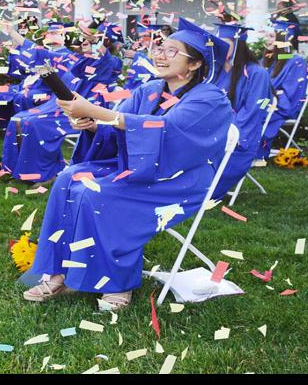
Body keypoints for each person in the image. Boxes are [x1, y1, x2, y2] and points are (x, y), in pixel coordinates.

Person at [21, 18, 234, 311]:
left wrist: (97, 110)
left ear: (195, 64)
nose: (160, 55)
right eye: (160, 48)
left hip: (177, 180)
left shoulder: (209, 98)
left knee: (97, 193)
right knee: (69, 178)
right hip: (135, 169)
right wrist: (94, 124)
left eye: (172, 51)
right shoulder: (149, 90)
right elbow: (118, 129)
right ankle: (61, 272)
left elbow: (167, 133)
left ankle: (118, 282)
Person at [0, 25, 88, 181]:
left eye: (55, 33)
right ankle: (16, 169)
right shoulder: (59, 57)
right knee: (17, 119)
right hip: (55, 103)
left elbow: (36, 50)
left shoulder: (72, 58)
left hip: (74, 109)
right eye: (49, 33)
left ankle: (41, 172)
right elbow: (34, 51)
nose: (51, 36)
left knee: (31, 121)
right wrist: (13, 36)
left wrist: (13, 33)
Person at [212, 21, 273, 195]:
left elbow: (255, 109)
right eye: (217, 43)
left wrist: (225, 130)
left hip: (238, 132)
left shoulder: (256, 73)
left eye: (225, 44)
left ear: (238, 46)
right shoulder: (214, 70)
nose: (219, 48)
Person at [260, 15, 308, 155]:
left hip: (281, 106)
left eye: (272, 36)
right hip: (265, 102)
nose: (267, 39)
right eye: (267, 36)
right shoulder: (268, 60)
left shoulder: (296, 62)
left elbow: (290, 94)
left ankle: (248, 148)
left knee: (254, 112)